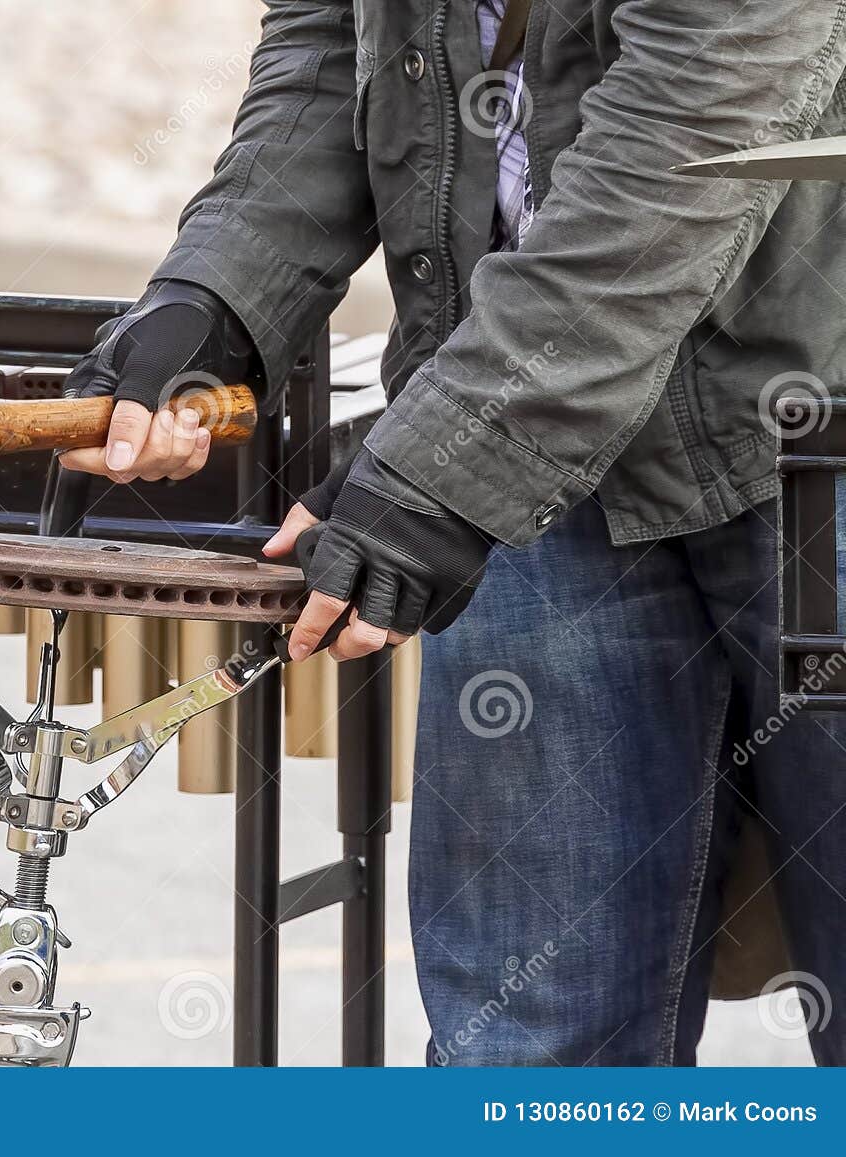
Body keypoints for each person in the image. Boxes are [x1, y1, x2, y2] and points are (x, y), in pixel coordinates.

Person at [58, 0, 846, 1065]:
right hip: (538, 445)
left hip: (811, 424)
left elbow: (687, 144)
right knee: (525, 1048)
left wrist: (441, 463)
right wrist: (213, 299)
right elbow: (336, 45)